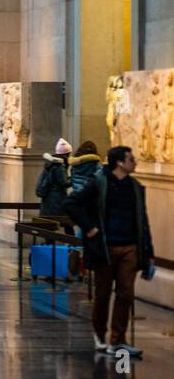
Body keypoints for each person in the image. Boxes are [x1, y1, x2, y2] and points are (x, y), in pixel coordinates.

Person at [65, 145, 156, 357]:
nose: (135, 162)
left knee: (125, 293)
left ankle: (118, 339)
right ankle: (99, 333)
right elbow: (70, 203)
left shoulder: (135, 187)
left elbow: (143, 222)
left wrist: (148, 252)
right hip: (104, 247)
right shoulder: (98, 184)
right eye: (131, 159)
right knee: (103, 293)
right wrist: (89, 228)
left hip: (129, 247)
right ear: (120, 163)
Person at [36, 137, 72, 227]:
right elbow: (64, 183)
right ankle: (73, 241)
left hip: (48, 200)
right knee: (67, 223)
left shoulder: (50, 164)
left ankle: (51, 241)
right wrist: (74, 177)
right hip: (57, 201)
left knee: (50, 226)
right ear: (66, 155)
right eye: (69, 154)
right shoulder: (59, 166)